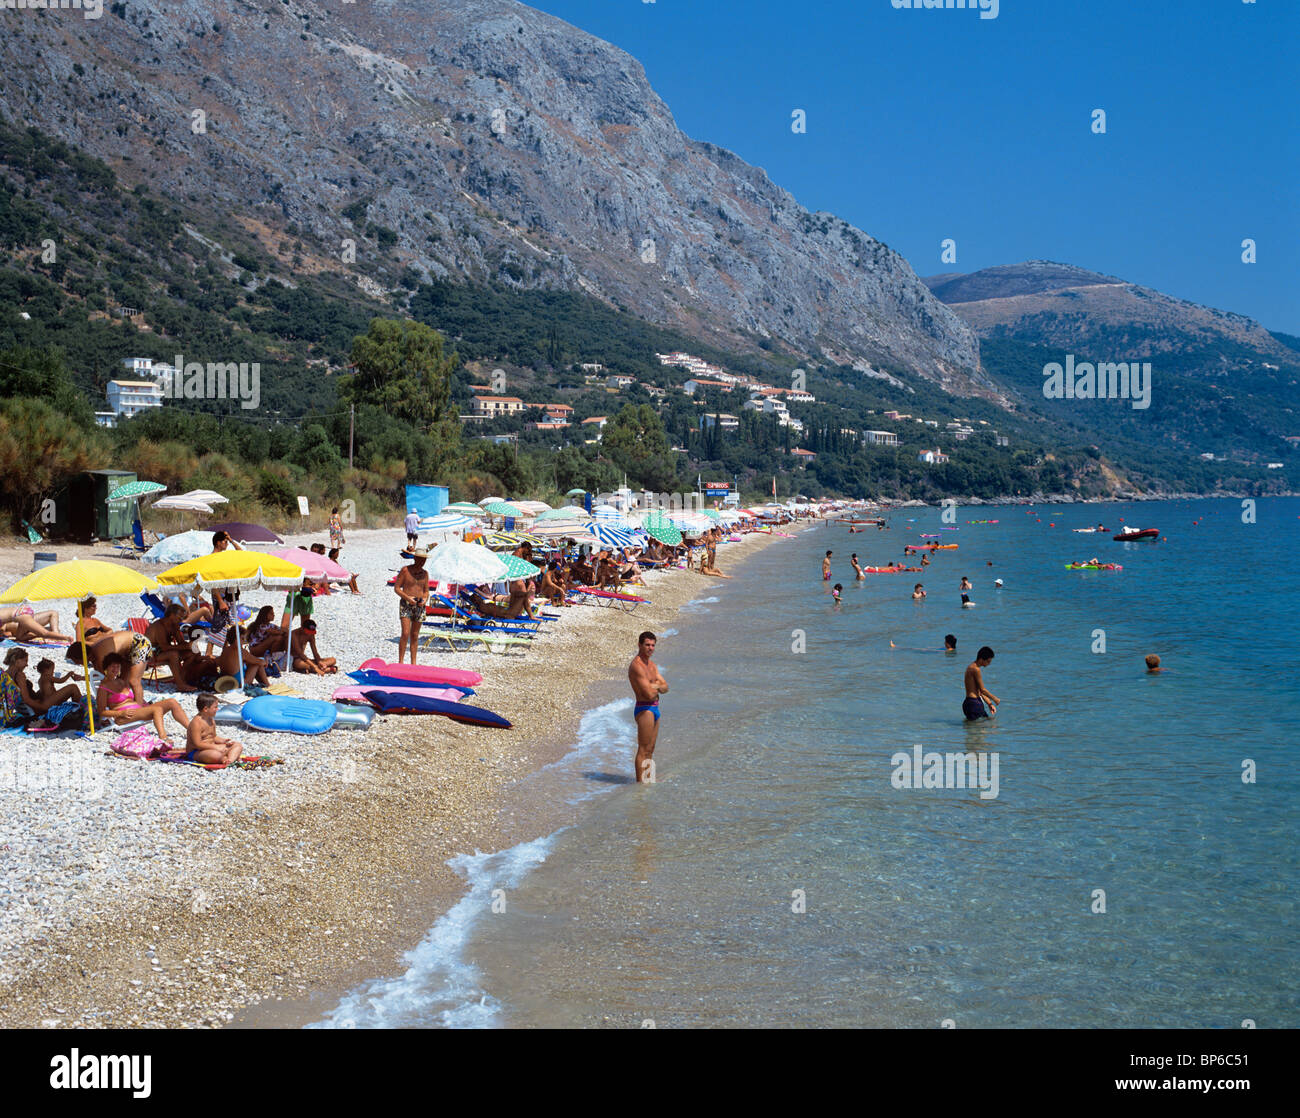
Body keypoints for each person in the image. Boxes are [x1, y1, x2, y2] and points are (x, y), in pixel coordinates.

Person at [95, 652, 190, 742]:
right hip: (124, 717)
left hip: (137, 711)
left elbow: (130, 699)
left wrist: (144, 704)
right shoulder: (104, 687)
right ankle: (163, 737)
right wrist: (120, 713)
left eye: (118, 666)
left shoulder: (121, 681)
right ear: (106, 667)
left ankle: (191, 729)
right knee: (156, 709)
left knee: (172, 702)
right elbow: (102, 712)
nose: (115, 669)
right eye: (112, 666)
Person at [629, 631, 668, 784]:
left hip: (655, 708)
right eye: (647, 645)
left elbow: (666, 687)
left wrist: (655, 686)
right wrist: (657, 686)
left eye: (653, 645)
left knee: (651, 749)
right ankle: (640, 784)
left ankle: (649, 779)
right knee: (643, 748)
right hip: (644, 709)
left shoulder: (652, 665)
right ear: (640, 645)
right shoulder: (636, 666)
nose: (650, 648)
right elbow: (649, 694)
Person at [3, 648, 81, 718]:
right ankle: (80, 713)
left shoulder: (5, 676)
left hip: (25, 709)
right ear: (18, 661)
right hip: (37, 708)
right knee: (73, 687)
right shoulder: (20, 676)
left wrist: (42, 691)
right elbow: (26, 699)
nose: (27, 664)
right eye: (25, 661)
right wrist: (42, 707)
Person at [145, 604, 200, 692]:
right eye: (180, 617)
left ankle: (182, 678)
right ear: (172, 615)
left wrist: (191, 646)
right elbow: (165, 647)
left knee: (192, 653)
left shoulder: (174, 625)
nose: (181, 620)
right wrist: (187, 646)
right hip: (151, 654)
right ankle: (180, 685)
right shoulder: (159, 626)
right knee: (173, 655)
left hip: (163, 652)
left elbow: (181, 642)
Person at [184, 693, 243, 766]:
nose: (217, 709)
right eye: (215, 707)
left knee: (237, 745)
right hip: (196, 752)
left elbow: (213, 737)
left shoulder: (211, 719)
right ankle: (226, 757)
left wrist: (223, 741)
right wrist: (216, 747)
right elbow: (197, 744)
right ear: (205, 709)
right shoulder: (196, 723)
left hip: (212, 747)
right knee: (214, 754)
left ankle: (229, 760)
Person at [394, 547, 430, 664]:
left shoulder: (425, 574)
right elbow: (397, 588)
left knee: (415, 635)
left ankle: (413, 662)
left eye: (424, 560)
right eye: (420, 559)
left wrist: (424, 599)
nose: (422, 562)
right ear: (415, 558)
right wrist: (408, 598)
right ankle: (401, 661)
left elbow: (426, 591)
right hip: (406, 604)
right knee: (405, 633)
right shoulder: (405, 570)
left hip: (419, 605)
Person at [963, 647, 999, 720]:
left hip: (969, 703)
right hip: (974, 704)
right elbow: (983, 690)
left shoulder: (970, 667)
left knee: (984, 725)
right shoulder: (976, 669)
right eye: (988, 661)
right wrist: (995, 698)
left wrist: (989, 704)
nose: (989, 664)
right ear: (981, 659)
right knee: (982, 728)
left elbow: (979, 691)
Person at [0, 607, 71, 644]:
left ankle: (65, 637)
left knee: (43, 633)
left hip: (21, 617)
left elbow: (4, 631)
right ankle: (55, 632)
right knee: (53, 613)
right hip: (22, 610)